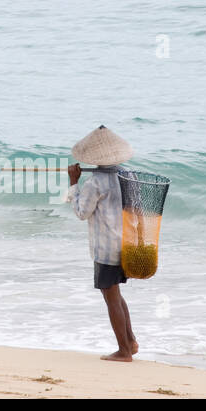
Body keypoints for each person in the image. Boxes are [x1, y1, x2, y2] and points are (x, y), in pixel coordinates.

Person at [64, 125, 138, 362]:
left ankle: (124, 351)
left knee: (111, 296)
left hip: (106, 248)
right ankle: (131, 341)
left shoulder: (94, 182)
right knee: (115, 293)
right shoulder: (129, 175)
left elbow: (81, 212)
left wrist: (73, 182)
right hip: (127, 244)